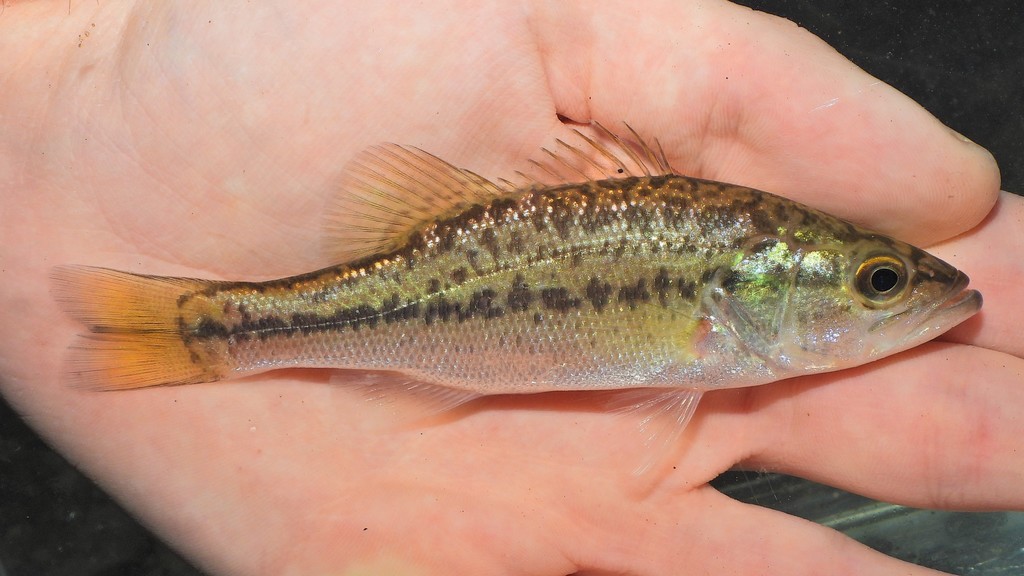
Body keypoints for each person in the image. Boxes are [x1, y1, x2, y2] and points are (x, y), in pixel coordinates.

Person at [1, 2, 1020, 575]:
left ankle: (210, 330)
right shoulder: (717, 324)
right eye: (876, 281)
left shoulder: (724, 327)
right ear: (742, 296)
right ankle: (209, 330)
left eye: (876, 281)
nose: (906, 294)